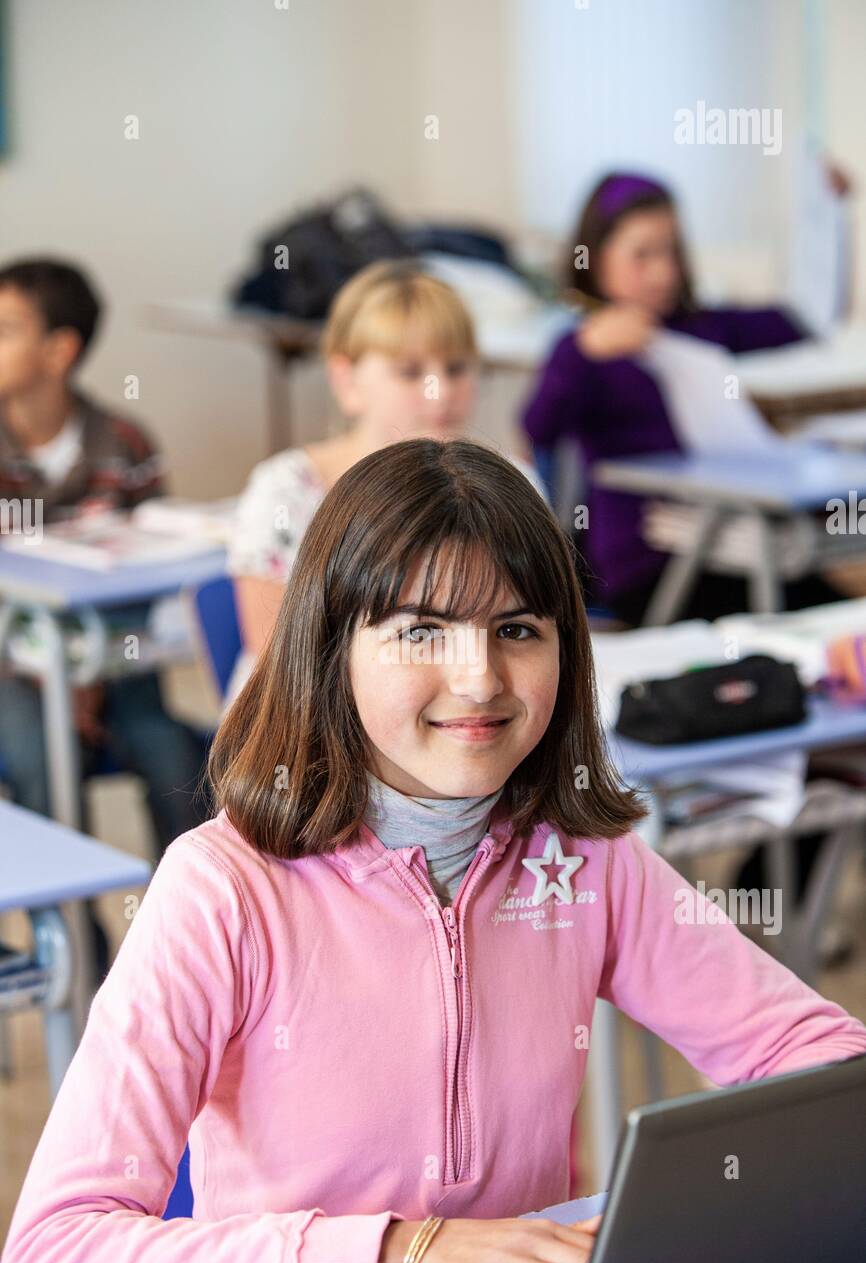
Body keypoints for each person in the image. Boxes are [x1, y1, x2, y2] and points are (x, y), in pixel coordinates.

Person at [2, 438, 864, 1263]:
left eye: (517, 629)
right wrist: (394, 1254)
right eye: (422, 630)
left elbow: (823, 1060)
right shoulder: (220, 891)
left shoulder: (583, 858)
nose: (480, 678)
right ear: (332, 652)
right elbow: (53, 1260)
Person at [0, 259, 211, 978]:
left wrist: (94, 672)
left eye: (6, 330)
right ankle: (80, 973)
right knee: (37, 761)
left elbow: (158, 580)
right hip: (11, 674)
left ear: (60, 351)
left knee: (176, 757)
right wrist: (48, 673)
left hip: (120, 662)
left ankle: (186, 952)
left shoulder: (124, 442)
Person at [521, 171, 847, 626]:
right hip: (645, 565)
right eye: (643, 254)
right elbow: (536, 428)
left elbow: (804, 318)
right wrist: (583, 352)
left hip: (726, 542)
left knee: (835, 603)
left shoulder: (696, 328)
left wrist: (829, 216)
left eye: (671, 250)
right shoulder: (580, 346)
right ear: (594, 258)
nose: (663, 271)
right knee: (807, 613)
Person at [226, 258, 547, 702]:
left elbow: (541, 626)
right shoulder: (288, 489)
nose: (441, 389)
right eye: (410, 372)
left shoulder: (515, 483)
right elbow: (279, 661)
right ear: (347, 380)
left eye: (456, 368)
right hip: (311, 726)